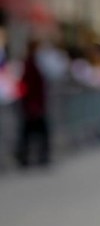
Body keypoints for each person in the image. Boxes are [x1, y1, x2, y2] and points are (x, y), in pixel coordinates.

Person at [15, 38, 51, 168]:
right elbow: (29, 86)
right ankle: (31, 157)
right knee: (36, 132)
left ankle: (27, 157)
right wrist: (33, 104)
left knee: (30, 132)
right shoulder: (30, 64)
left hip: (33, 105)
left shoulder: (33, 63)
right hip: (33, 105)